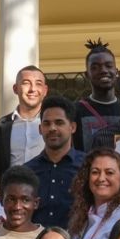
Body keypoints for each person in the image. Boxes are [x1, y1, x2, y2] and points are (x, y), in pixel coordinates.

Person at [27, 94, 86, 229]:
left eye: (59, 122)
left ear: (73, 127)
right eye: (47, 123)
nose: (52, 128)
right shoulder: (28, 171)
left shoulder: (88, 167)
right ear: (40, 129)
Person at [0, 64, 48, 177]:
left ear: (45, 90)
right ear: (15, 89)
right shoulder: (1, 126)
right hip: (14, 191)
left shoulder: (54, 124)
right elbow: (0, 168)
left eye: (38, 84)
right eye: (26, 83)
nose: (32, 89)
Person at [72, 39, 120, 141]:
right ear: (87, 75)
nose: (103, 70)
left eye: (108, 66)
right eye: (95, 67)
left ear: (116, 72)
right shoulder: (75, 111)